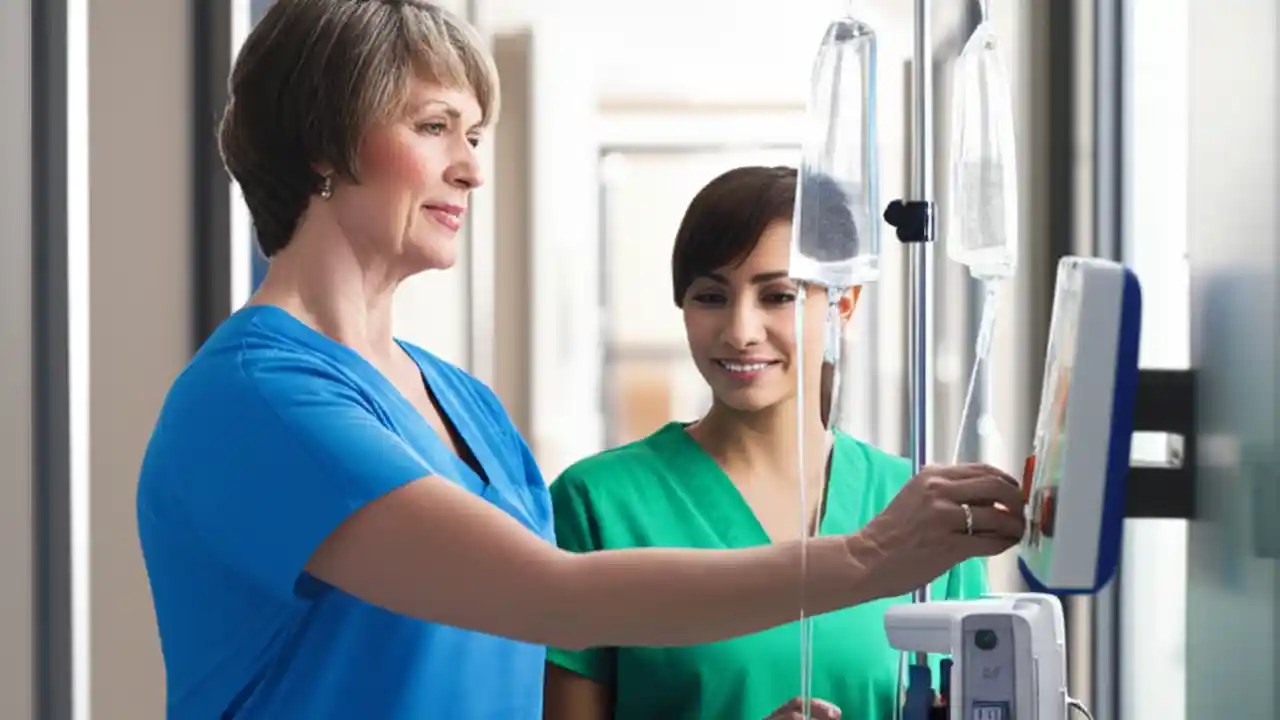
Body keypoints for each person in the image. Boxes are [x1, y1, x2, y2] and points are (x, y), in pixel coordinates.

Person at [135, 2, 1026, 719]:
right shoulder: (258, 401)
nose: (471, 170)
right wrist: (870, 556)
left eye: (475, 136)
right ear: (322, 144)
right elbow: (552, 598)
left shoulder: (461, 402)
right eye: (435, 126)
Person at [543, 165, 991, 720]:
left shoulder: (923, 513)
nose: (740, 330)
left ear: (843, 304)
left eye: (778, 295)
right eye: (711, 296)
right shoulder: (598, 506)